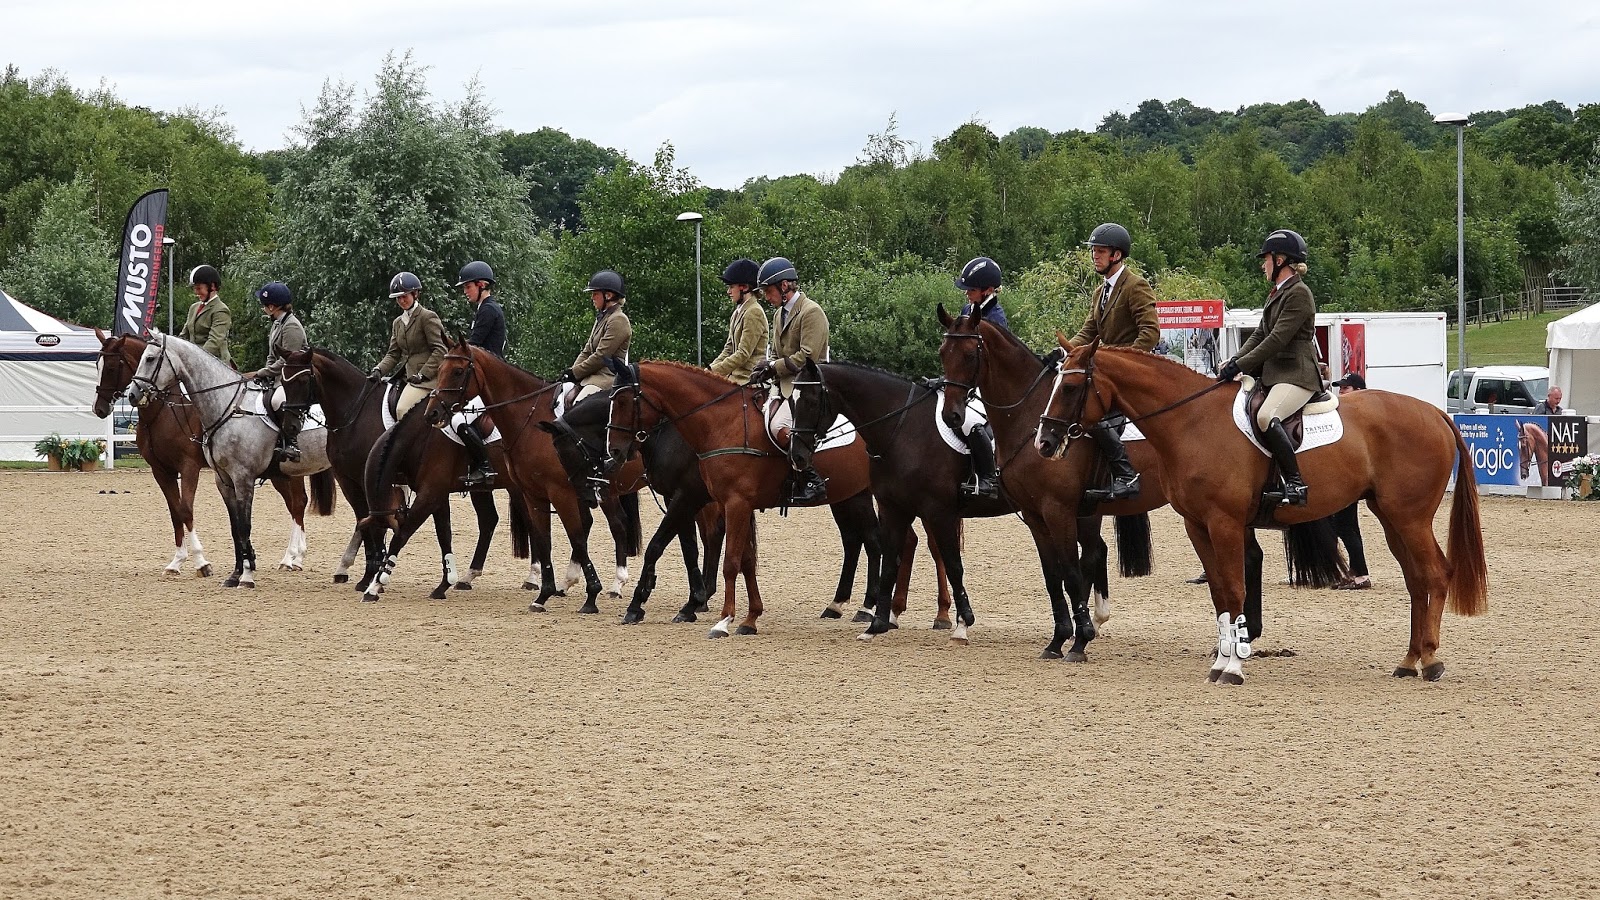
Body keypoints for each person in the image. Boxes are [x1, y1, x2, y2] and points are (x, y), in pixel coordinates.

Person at [1217, 229, 1319, 506]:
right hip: (1276, 374)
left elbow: (1277, 339)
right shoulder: (1277, 293)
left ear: (1281, 259)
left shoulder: (1299, 294)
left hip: (1297, 375)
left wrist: (1242, 364)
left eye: (1266, 259)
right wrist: (1234, 361)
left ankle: (1295, 483)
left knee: (1266, 416)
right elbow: (1260, 334)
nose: (1263, 265)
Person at [1066, 222, 1160, 502]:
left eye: (1100, 251)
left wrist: (1123, 361)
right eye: (1094, 250)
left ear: (1116, 255)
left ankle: (1125, 475)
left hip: (1131, 374)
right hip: (1106, 373)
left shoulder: (1135, 286)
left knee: (1095, 419)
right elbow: (1088, 332)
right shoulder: (1100, 292)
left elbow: (1151, 331)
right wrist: (1066, 354)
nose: (1095, 255)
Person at [750, 256, 829, 504]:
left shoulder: (811, 312)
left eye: (768, 291)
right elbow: (776, 352)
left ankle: (811, 478)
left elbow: (808, 356)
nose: (766, 297)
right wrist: (765, 367)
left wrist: (773, 366)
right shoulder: (778, 315)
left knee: (777, 427)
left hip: (809, 385)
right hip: (784, 384)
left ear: (785, 286)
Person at [953, 256, 1005, 498]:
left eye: (971, 290)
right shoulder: (967, 311)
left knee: (970, 422)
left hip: (990, 384)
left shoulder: (995, 318)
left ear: (989, 290)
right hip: (966, 381)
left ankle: (988, 478)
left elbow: (995, 362)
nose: (967, 294)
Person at [367, 272, 447, 421]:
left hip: (428, 378)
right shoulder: (398, 323)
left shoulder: (427, 317)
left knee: (402, 409)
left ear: (415, 294)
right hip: (407, 376)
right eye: (398, 298)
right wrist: (379, 370)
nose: (402, 301)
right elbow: (393, 354)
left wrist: (423, 374)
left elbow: (441, 349)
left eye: (405, 296)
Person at [454, 260, 506, 487]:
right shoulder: (484, 309)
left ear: (482, 284)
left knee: (458, 419)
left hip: (491, 379)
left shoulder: (488, 310)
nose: (465, 292)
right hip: (488, 374)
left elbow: (473, 347)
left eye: (468, 287)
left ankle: (484, 466)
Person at [251, 281, 308, 462]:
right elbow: (272, 355)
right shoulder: (277, 323)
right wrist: (266, 373)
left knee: (277, 400)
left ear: (272, 306)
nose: (263, 309)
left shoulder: (292, 326)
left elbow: (288, 360)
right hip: (279, 374)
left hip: (295, 376)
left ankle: (291, 442)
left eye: (264, 305)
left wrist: (265, 372)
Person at [561, 269, 632, 403]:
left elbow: (601, 357)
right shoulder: (602, 317)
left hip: (606, 379)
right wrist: (571, 372)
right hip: (590, 376)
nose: (592, 298)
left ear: (608, 295)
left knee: (578, 406)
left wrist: (575, 373)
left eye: (595, 294)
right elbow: (587, 350)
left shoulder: (618, 320)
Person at [1330, 373, 1371, 588]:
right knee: (1345, 525)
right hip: (1345, 477)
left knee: (1345, 526)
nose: (1341, 392)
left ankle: (1361, 573)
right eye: (1340, 388)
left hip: (1351, 479)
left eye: (1346, 388)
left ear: (1358, 390)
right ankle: (1354, 570)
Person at [708, 258, 768, 383]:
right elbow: (728, 349)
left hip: (748, 378)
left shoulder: (754, 312)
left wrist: (714, 371)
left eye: (731, 287)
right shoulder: (738, 312)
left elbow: (743, 354)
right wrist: (708, 370)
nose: (728, 291)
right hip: (734, 377)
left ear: (744, 287)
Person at [179, 265, 232, 366]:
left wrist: (195, 360)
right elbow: (184, 335)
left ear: (212, 286)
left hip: (215, 363)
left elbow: (214, 341)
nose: (196, 292)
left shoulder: (221, 310)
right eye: (195, 289)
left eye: (199, 288)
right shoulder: (193, 308)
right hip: (195, 360)